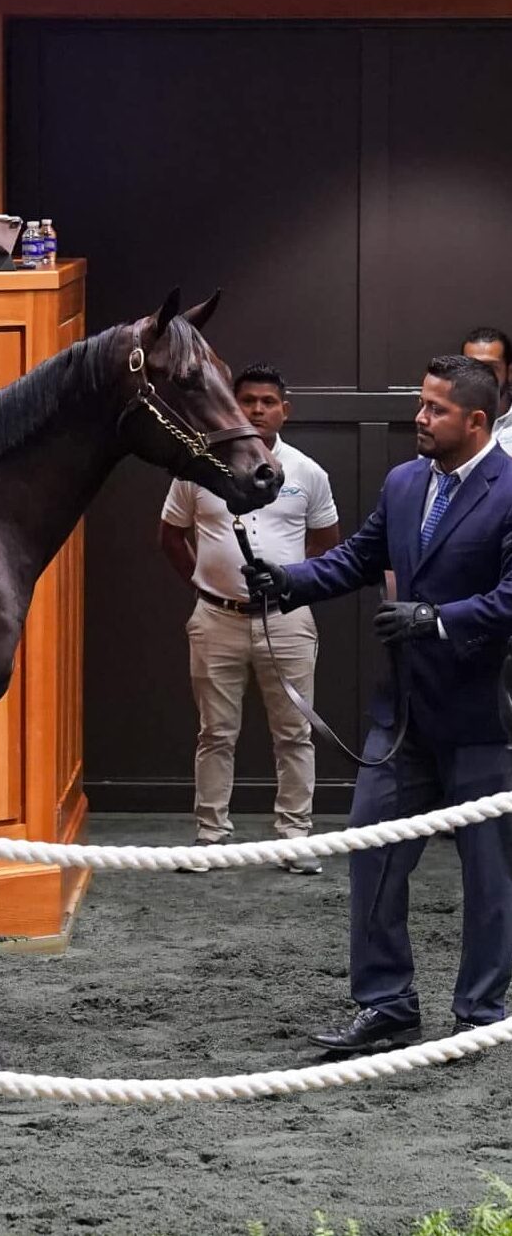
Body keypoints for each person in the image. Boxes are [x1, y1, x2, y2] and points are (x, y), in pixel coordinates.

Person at [243, 355, 512, 1055]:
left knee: (490, 877)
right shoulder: (403, 483)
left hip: (484, 721)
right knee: (370, 854)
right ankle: (387, 1005)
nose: (418, 417)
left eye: (434, 408)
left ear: (475, 421)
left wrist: (437, 618)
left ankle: (478, 1015)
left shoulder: (511, 489)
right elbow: (358, 558)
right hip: (401, 717)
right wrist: (288, 582)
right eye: (421, 403)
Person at [159, 363, 340, 871]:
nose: (258, 410)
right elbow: (170, 535)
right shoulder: (198, 468)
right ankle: (211, 836)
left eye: (268, 402)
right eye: (248, 401)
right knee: (215, 732)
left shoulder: (307, 473)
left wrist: (291, 585)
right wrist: (205, 584)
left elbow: (327, 543)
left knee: (295, 732)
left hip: (287, 620)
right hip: (216, 619)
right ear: (233, 406)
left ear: (285, 410)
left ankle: (295, 838)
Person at [461, 326, 512, 455]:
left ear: (510, 372)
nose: (481, 376)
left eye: (491, 368)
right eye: (472, 367)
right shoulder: (444, 422)